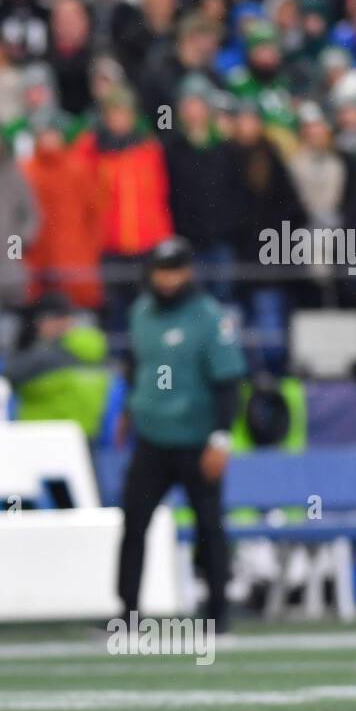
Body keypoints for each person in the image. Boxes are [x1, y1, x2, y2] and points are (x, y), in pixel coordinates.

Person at [115, 237, 247, 630]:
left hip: (196, 438)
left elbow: (229, 381)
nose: (168, 279)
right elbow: (137, 364)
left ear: (188, 272)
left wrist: (221, 438)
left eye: (175, 270)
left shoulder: (208, 316)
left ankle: (218, 609)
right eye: (161, 270)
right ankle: (128, 611)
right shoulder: (141, 312)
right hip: (152, 438)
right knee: (134, 523)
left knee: (209, 524)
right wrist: (128, 411)